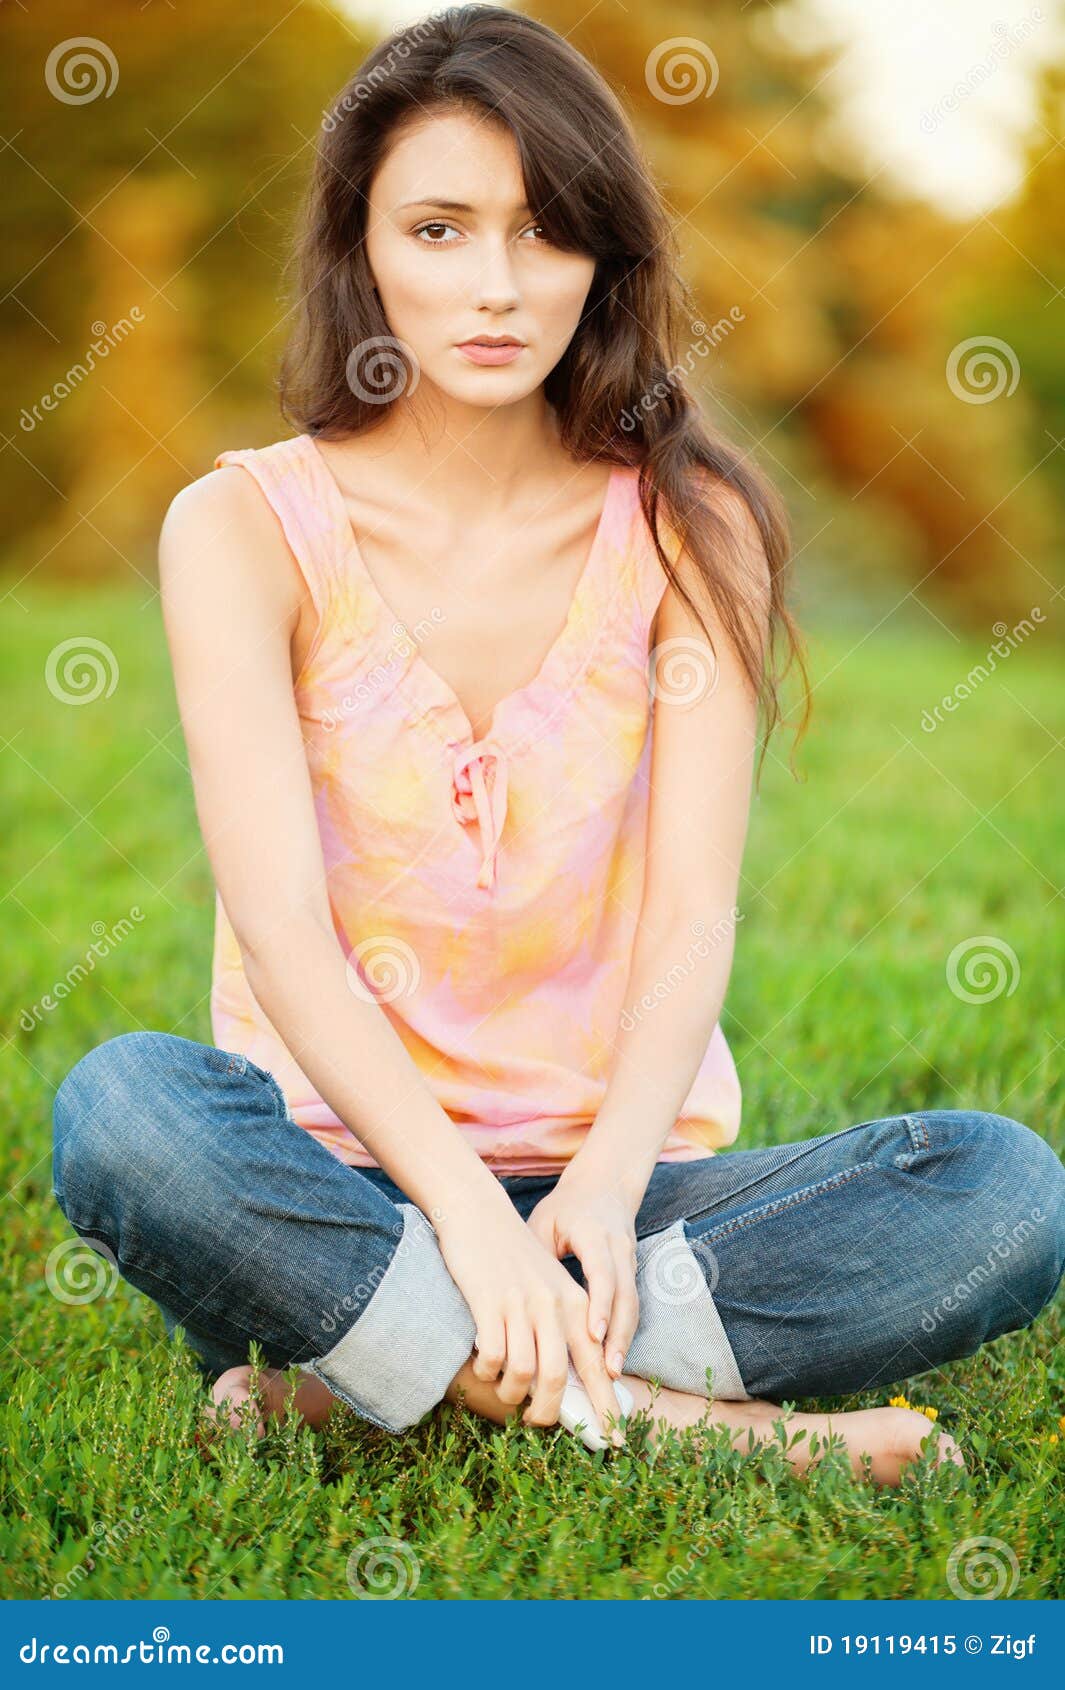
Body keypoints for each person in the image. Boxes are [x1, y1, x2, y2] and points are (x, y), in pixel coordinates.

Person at [51, 5, 1064, 1488]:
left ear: (603, 258)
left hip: (619, 1208)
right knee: (124, 1111)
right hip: (335, 1190)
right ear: (359, 246)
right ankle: (667, 1422)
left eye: (545, 232)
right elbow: (281, 931)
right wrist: (468, 1218)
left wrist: (595, 1186)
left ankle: (379, 1378)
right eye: (439, 229)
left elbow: (690, 911)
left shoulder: (690, 524)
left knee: (1003, 1187)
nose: (496, 286)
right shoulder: (242, 528)